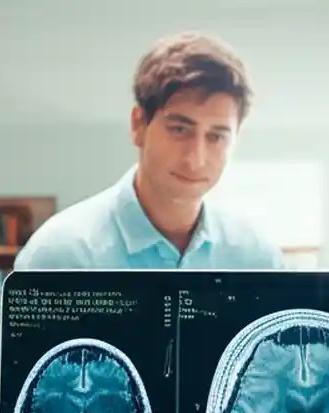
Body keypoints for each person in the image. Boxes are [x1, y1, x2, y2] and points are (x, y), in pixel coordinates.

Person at [15, 32, 283, 271]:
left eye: (216, 137)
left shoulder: (258, 258)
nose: (196, 159)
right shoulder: (60, 256)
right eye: (179, 129)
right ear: (138, 124)